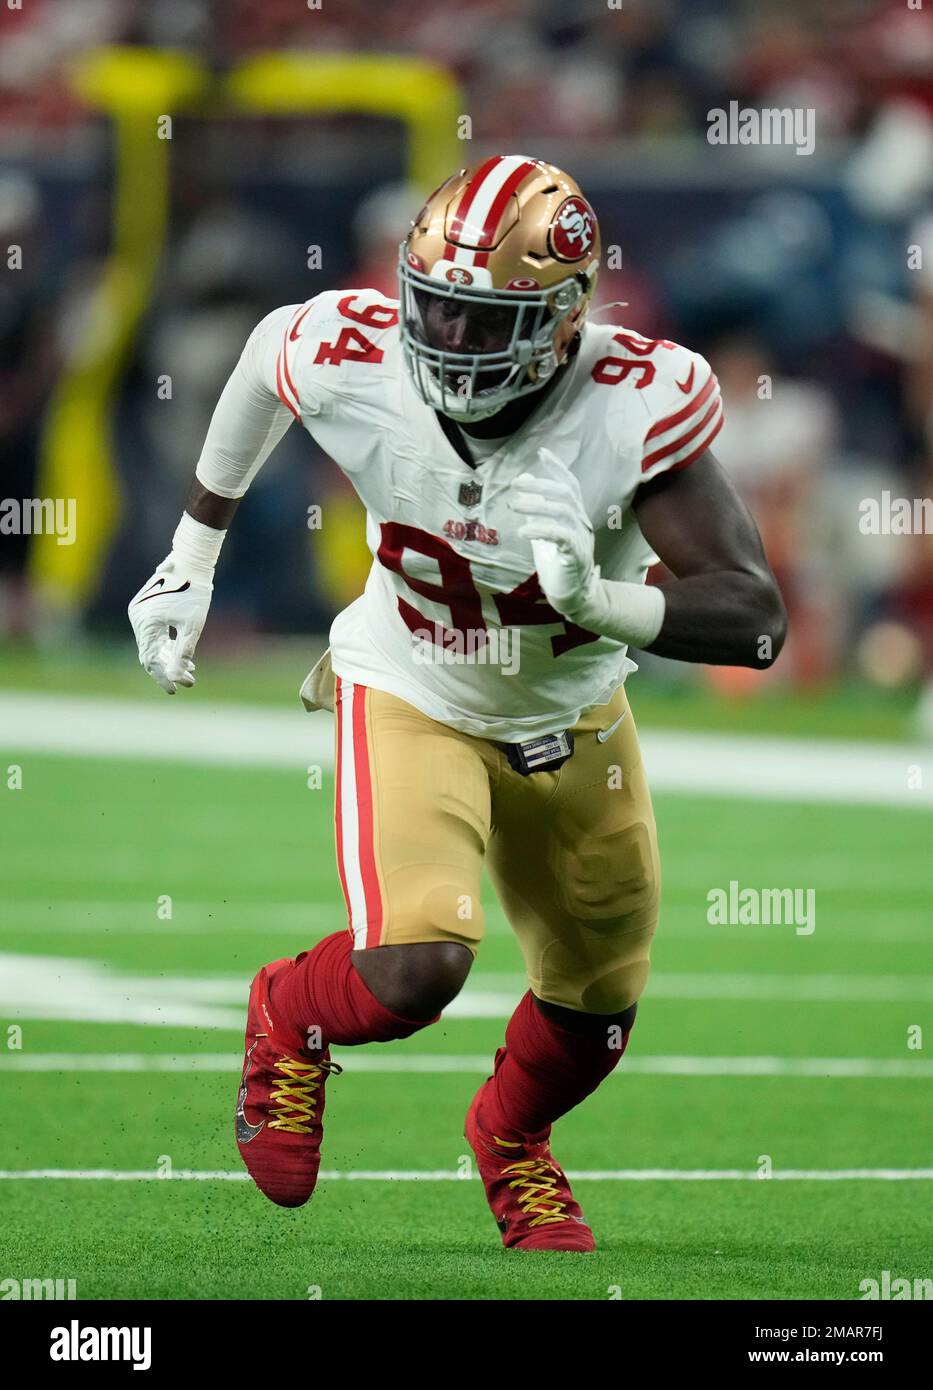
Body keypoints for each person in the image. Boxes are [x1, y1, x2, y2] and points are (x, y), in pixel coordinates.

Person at [128, 155, 786, 1251]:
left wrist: (600, 598)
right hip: (413, 682)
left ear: (567, 315)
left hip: (574, 714)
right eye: (434, 307)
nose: (447, 340)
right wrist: (192, 552)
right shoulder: (358, 352)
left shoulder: (634, 400)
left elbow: (753, 616)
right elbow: (263, 358)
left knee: (595, 1013)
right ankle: (289, 1009)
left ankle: (511, 1140)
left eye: (487, 321)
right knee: (417, 965)